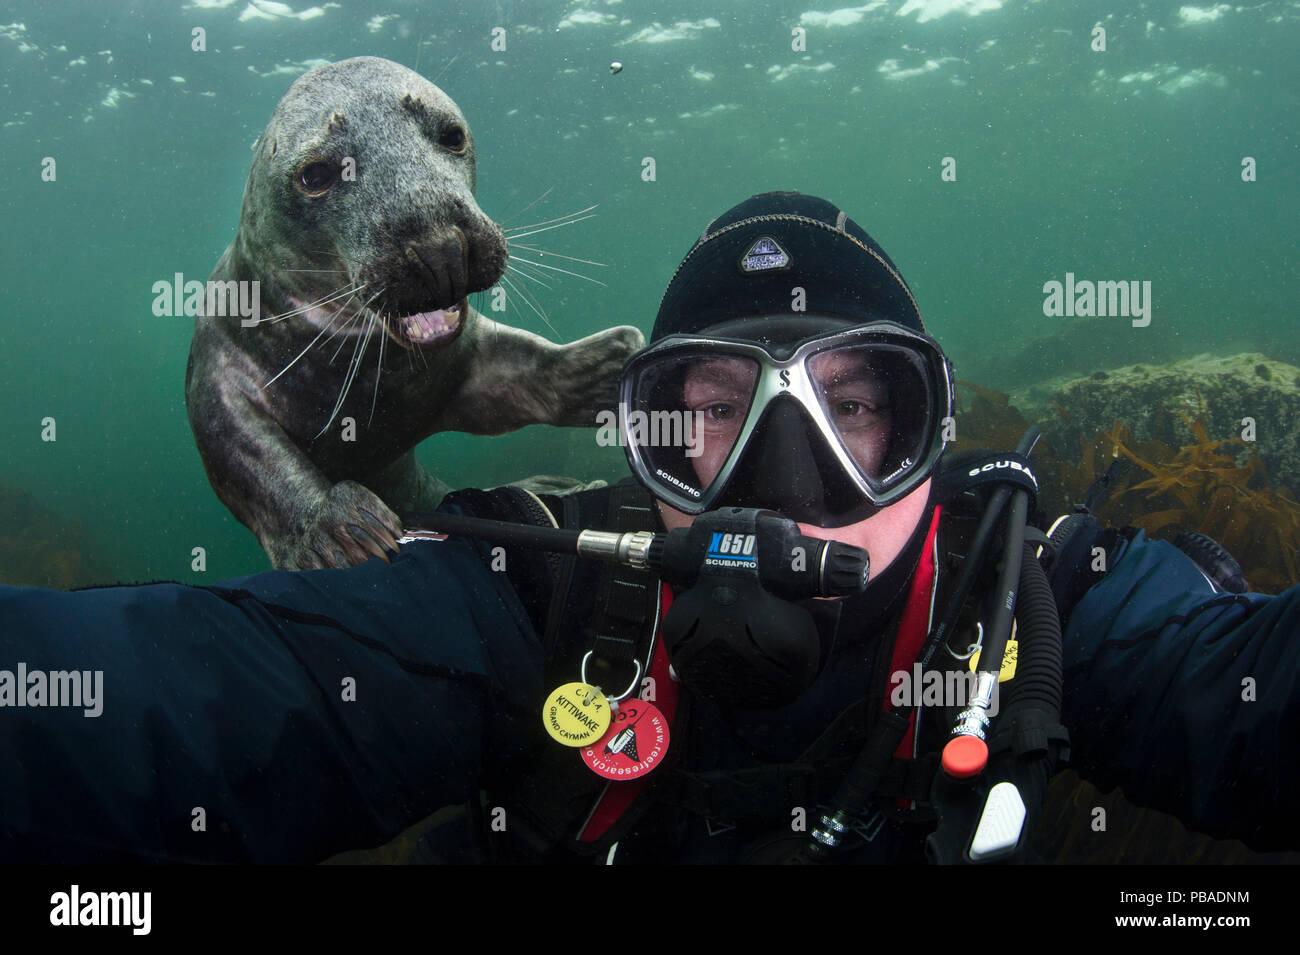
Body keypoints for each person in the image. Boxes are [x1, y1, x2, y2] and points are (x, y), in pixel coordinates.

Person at [0, 192, 1296, 864]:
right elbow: (208, 701)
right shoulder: (538, 592)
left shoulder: (1039, 598)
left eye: (855, 407)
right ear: (642, 441)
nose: (788, 477)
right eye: (713, 413)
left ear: (931, 429)